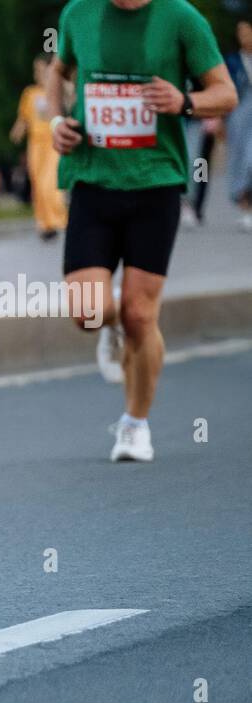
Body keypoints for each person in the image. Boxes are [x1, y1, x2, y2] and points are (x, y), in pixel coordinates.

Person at [48, 0, 237, 463]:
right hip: (93, 180)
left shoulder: (182, 19)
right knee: (88, 313)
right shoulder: (79, 14)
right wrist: (57, 120)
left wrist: (186, 101)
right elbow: (58, 72)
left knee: (139, 314)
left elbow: (226, 92)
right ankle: (110, 332)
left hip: (155, 184)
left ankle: (134, 425)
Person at [11, 57, 68, 241]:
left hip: (52, 142)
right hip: (35, 144)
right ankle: (44, 224)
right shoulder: (30, 93)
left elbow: (69, 103)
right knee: (37, 182)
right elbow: (24, 118)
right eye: (36, 70)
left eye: (41, 69)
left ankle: (58, 219)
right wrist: (17, 132)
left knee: (49, 182)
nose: (37, 74)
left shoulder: (56, 90)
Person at [225, 19, 252, 232]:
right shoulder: (233, 61)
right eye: (241, 33)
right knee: (199, 162)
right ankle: (191, 205)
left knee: (250, 161)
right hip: (238, 118)